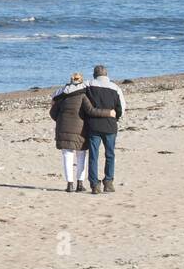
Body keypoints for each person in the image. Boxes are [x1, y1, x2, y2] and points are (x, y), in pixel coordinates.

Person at [49, 73, 114, 193]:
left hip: (63, 129)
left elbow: (53, 113)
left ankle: (69, 184)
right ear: (81, 81)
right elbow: (91, 111)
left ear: (71, 80)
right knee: (81, 155)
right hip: (80, 130)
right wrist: (108, 113)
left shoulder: (62, 94)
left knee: (67, 156)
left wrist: (61, 120)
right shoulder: (83, 95)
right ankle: (80, 184)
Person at [83, 64, 126, 194]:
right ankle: (108, 182)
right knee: (110, 154)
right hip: (110, 125)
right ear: (106, 75)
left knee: (93, 156)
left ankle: (95, 184)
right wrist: (116, 116)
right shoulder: (115, 87)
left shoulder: (88, 85)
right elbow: (121, 108)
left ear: (94, 74)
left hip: (93, 124)